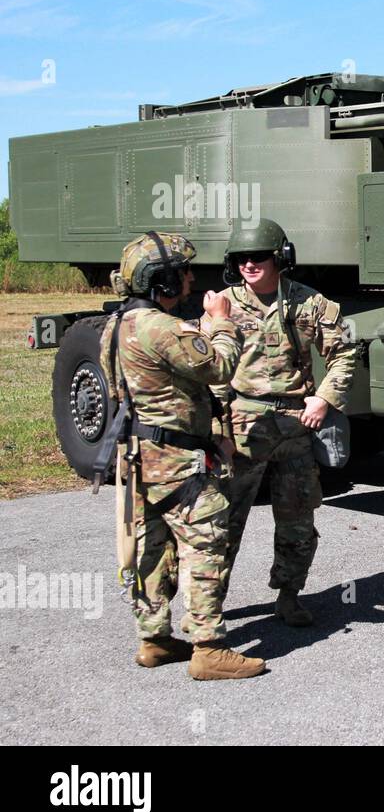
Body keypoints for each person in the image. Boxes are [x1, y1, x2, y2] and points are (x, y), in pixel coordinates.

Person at [101, 231, 265, 680]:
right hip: (176, 461)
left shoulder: (116, 325)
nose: (191, 281)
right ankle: (208, 647)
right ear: (164, 282)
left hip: (139, 457)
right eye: (184, 274)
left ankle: (153, 638)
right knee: (206, 540)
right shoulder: (160, 327)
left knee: (152, 547)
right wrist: (220, 321)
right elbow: (218, 365)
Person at [212, 218, 356, 627]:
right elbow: (206, 368)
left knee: (297, 521)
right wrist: (215, 428)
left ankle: (289, 595)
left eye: (258, 257)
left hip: (295, 425)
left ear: (280, 258)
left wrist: (324, 398)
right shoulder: (222, 307)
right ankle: (211, 605)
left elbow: (344, 353)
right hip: (242, 426)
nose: (249, 265)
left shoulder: (308, 303)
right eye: (241, 258)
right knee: (224, 521)